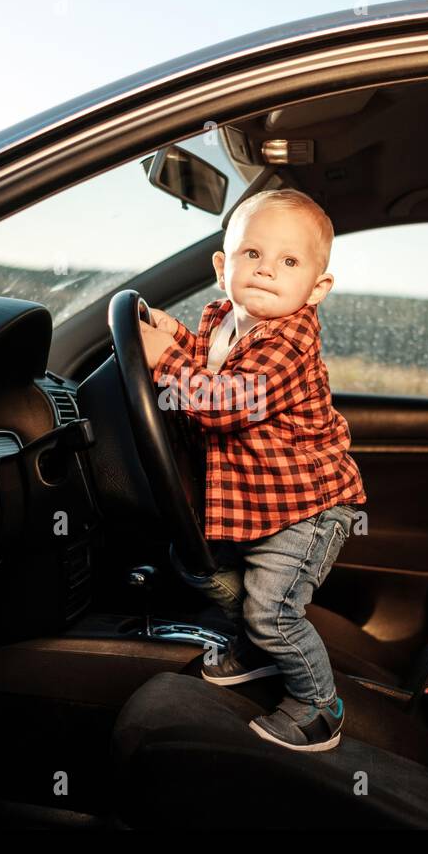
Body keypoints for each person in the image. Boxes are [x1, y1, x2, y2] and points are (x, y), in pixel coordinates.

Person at [140, 187, 366, 751]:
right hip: (256, 505)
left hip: (306, 511)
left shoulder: (291, 342)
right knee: (194, 563)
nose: (266, 271)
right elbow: (206, 365)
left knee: (274, 609)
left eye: (289, 262)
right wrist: (176, 340)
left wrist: (161, 362)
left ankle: (319, 705)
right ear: (223, 267)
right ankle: (253, 652)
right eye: (252, 255)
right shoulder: (222, 321)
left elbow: (226, 401)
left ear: (317, 287)